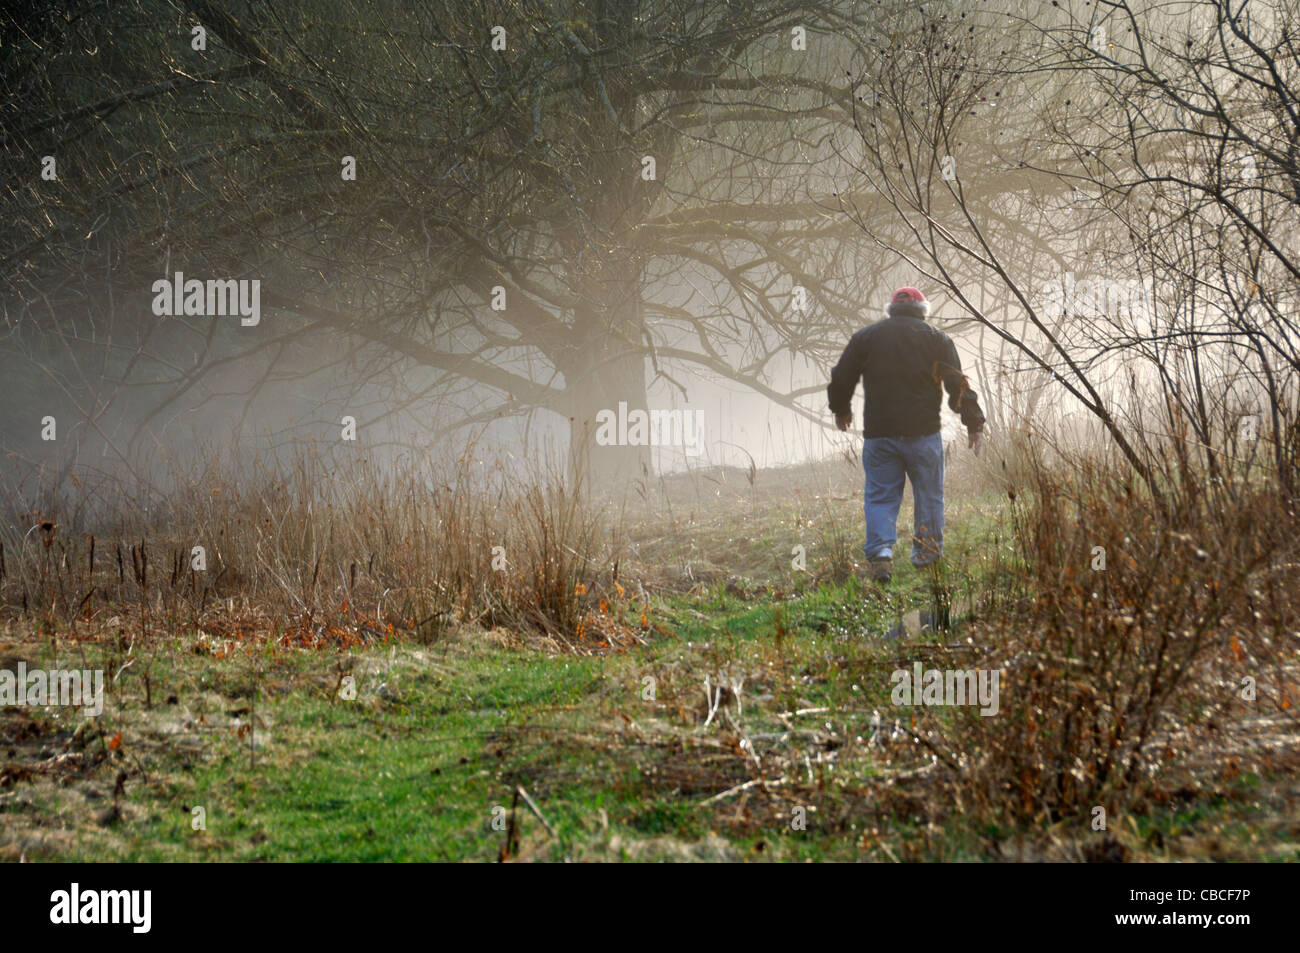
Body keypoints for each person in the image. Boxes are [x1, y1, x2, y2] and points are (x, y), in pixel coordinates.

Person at [827, 287, 986, 583]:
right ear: (923, 310)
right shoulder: (937, 339)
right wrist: (973, 422)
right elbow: (956, 383)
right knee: (929, 496)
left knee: (880, 497)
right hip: (923, 435)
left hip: (880, 435)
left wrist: (841, 409)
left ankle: (881, 557)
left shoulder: (867, 337)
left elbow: (842, 374)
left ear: (892, 309)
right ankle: (927, 557)